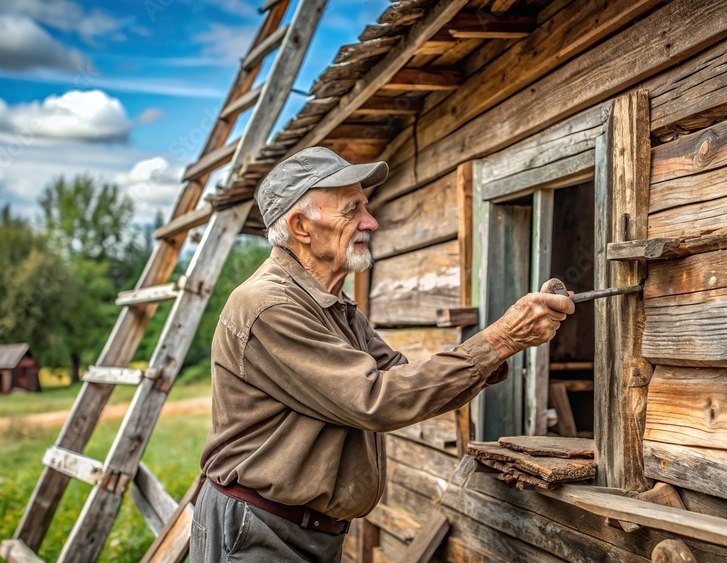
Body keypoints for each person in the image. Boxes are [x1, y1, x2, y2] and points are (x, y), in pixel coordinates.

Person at [192, 146, 574, 562]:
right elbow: (377, 399)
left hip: (299, 530)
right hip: (260, 531)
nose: (370, 222)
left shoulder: (331, 304)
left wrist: (499, 348)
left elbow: (404, 380)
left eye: (366, 208)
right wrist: (502, 339)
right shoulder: (269, 306)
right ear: (300, 225)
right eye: (351, 210)